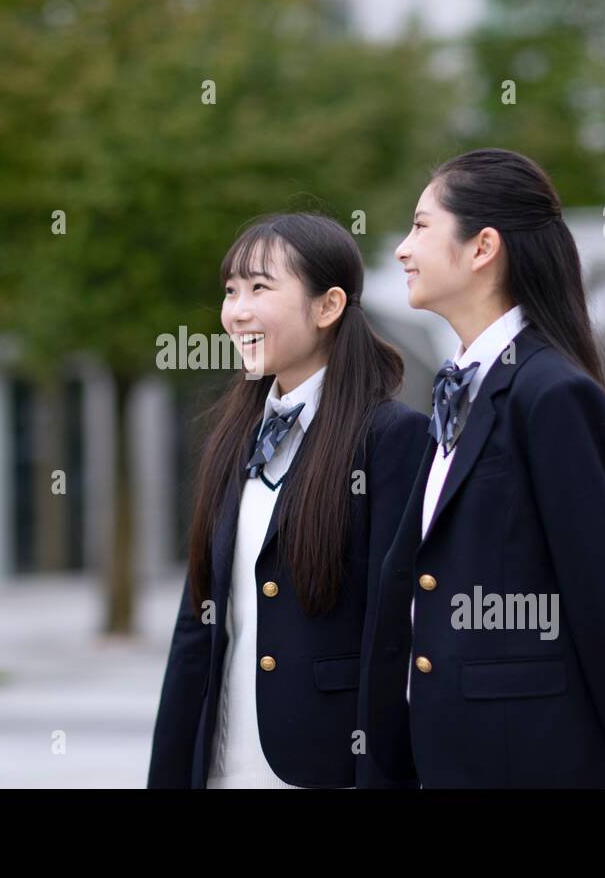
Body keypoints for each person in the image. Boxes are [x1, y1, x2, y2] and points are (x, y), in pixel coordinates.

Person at [361, 148, 605, 788]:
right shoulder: (459, 388)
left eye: (421, 226)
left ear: (483, 248)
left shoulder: (551, 393)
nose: (401, 249)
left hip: (529, 758)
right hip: (449, 754)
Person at [148, 212, 430, 788]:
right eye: (231, 291)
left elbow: (394, 627)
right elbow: (197, 627)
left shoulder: (390, 437)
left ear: (327, 307)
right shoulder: (234, 437)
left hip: (330, 768)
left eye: (259, 288)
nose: (237, 311)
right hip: (227, 762)